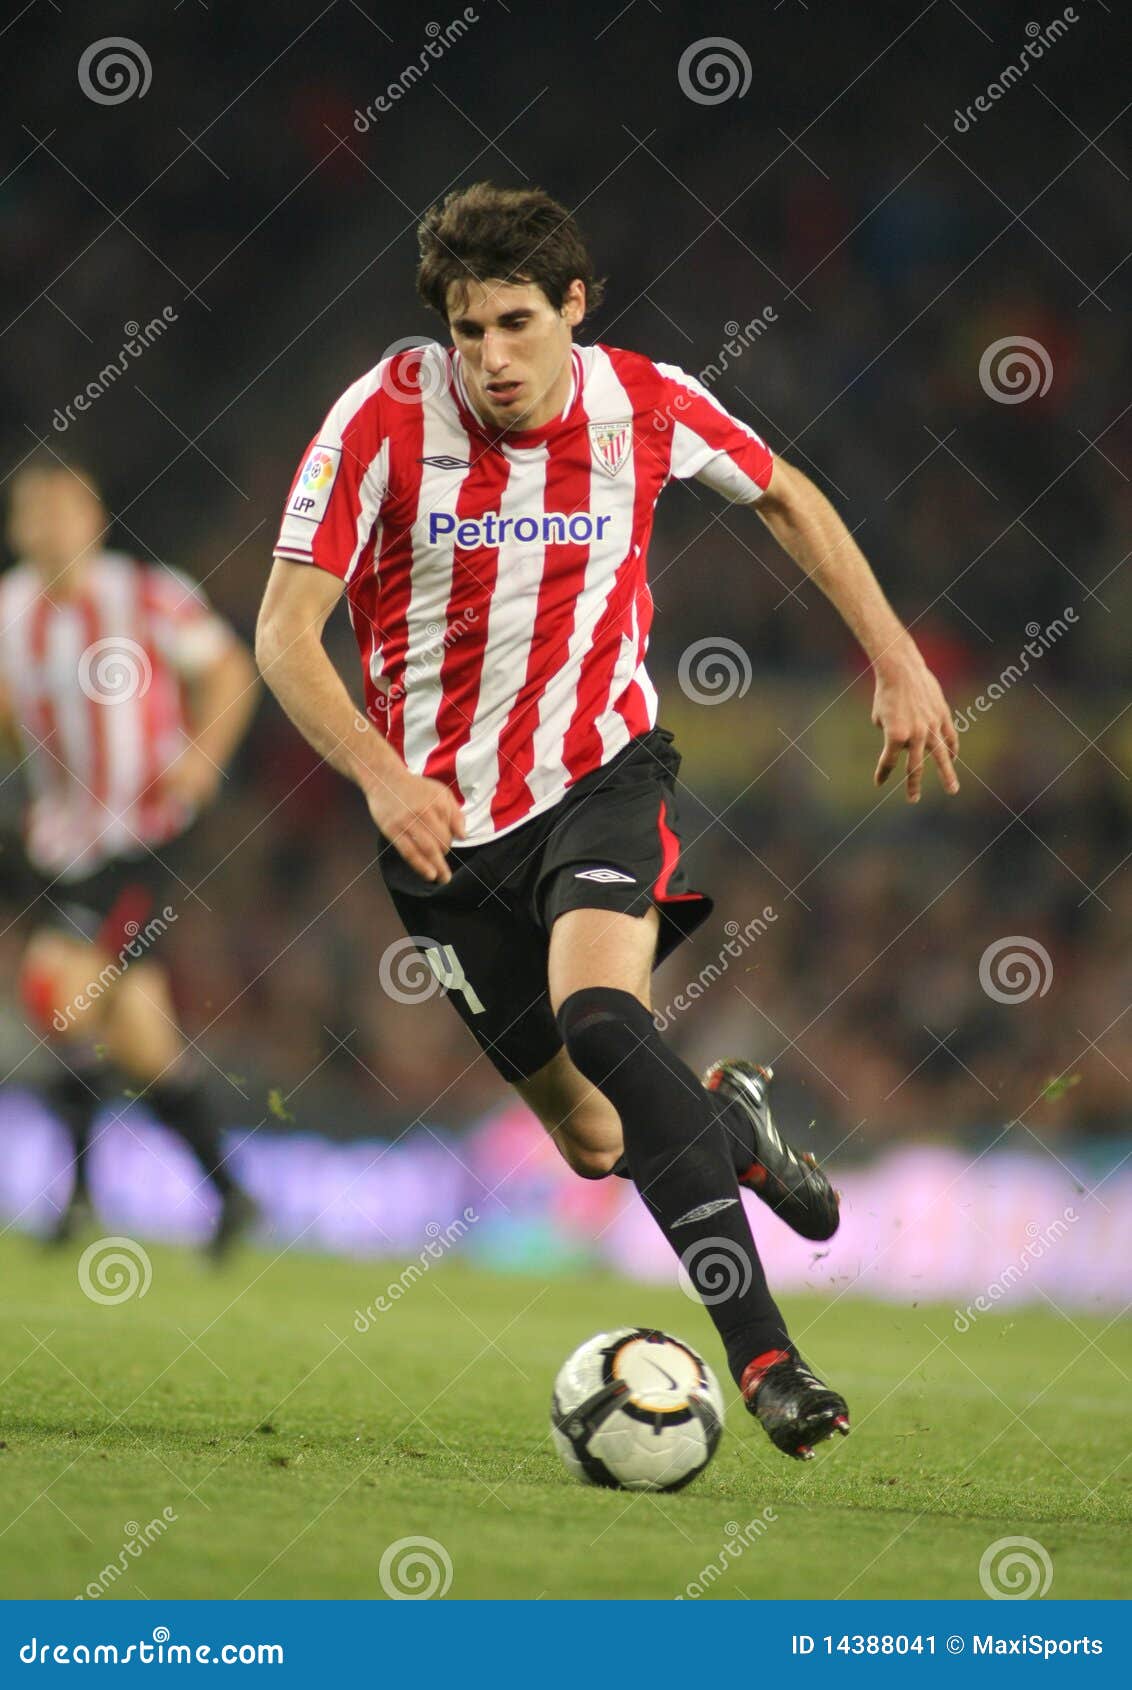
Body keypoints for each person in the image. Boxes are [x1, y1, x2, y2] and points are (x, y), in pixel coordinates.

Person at [256, 182, 960, 1459]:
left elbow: (787, 493)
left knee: (599, 1016)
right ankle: (730, 1124)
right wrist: (377, 773)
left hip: (601, 778)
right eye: (468, 330)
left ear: (574, 305)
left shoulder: (643, 401)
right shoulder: (381, 418)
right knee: (592, 1138)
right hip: (439, 831)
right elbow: (283, 633)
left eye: (517, 323)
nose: (492, 358)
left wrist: (895, 656)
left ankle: (769, 1362)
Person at [0, 458, 260, 1258]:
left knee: (59, 987)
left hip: (148, 840)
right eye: (35, 511)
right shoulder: (9, 611)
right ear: (16, 527)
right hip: (61, 847)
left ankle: (77, 1199)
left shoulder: (147, 594)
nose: (50, 525)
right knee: (141, 1037)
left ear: (96, 520)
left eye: (65, 509)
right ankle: (231, 1197)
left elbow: (229, 669)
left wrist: (203, 760)